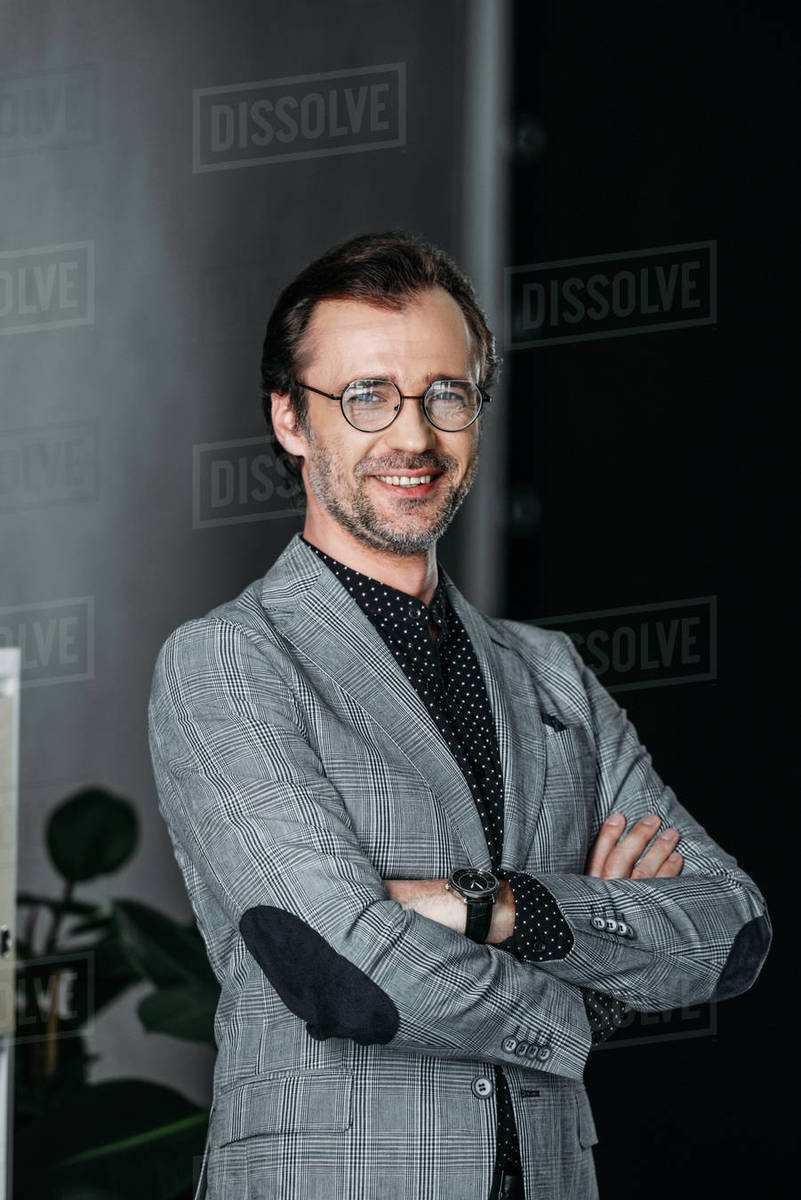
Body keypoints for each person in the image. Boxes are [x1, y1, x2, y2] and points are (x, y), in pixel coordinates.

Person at [147, 231, 771, 1200]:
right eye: (366, 397)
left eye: (447, 394)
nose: (414, 437)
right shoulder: (228, 663)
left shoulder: (552, 675)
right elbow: (337, 968)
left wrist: (498, 907)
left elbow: (731, 927)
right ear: (288, 420)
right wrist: (588, 998)